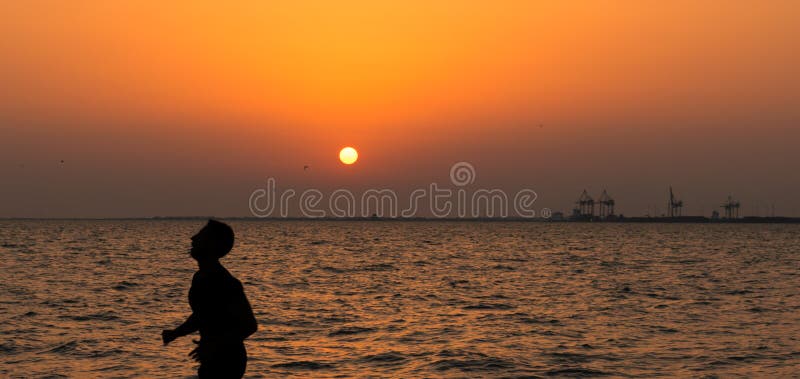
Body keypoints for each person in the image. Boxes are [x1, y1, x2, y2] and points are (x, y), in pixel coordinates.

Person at [162, 220, 257, 378]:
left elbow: (249, 326)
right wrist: (176, 333)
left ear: (213, 245)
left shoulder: (226, 282)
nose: (193, 238)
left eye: (200, 236)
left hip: (228, 360)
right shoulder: (199, 277)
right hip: (211, 358)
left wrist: (214, 345)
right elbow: (202, 315)